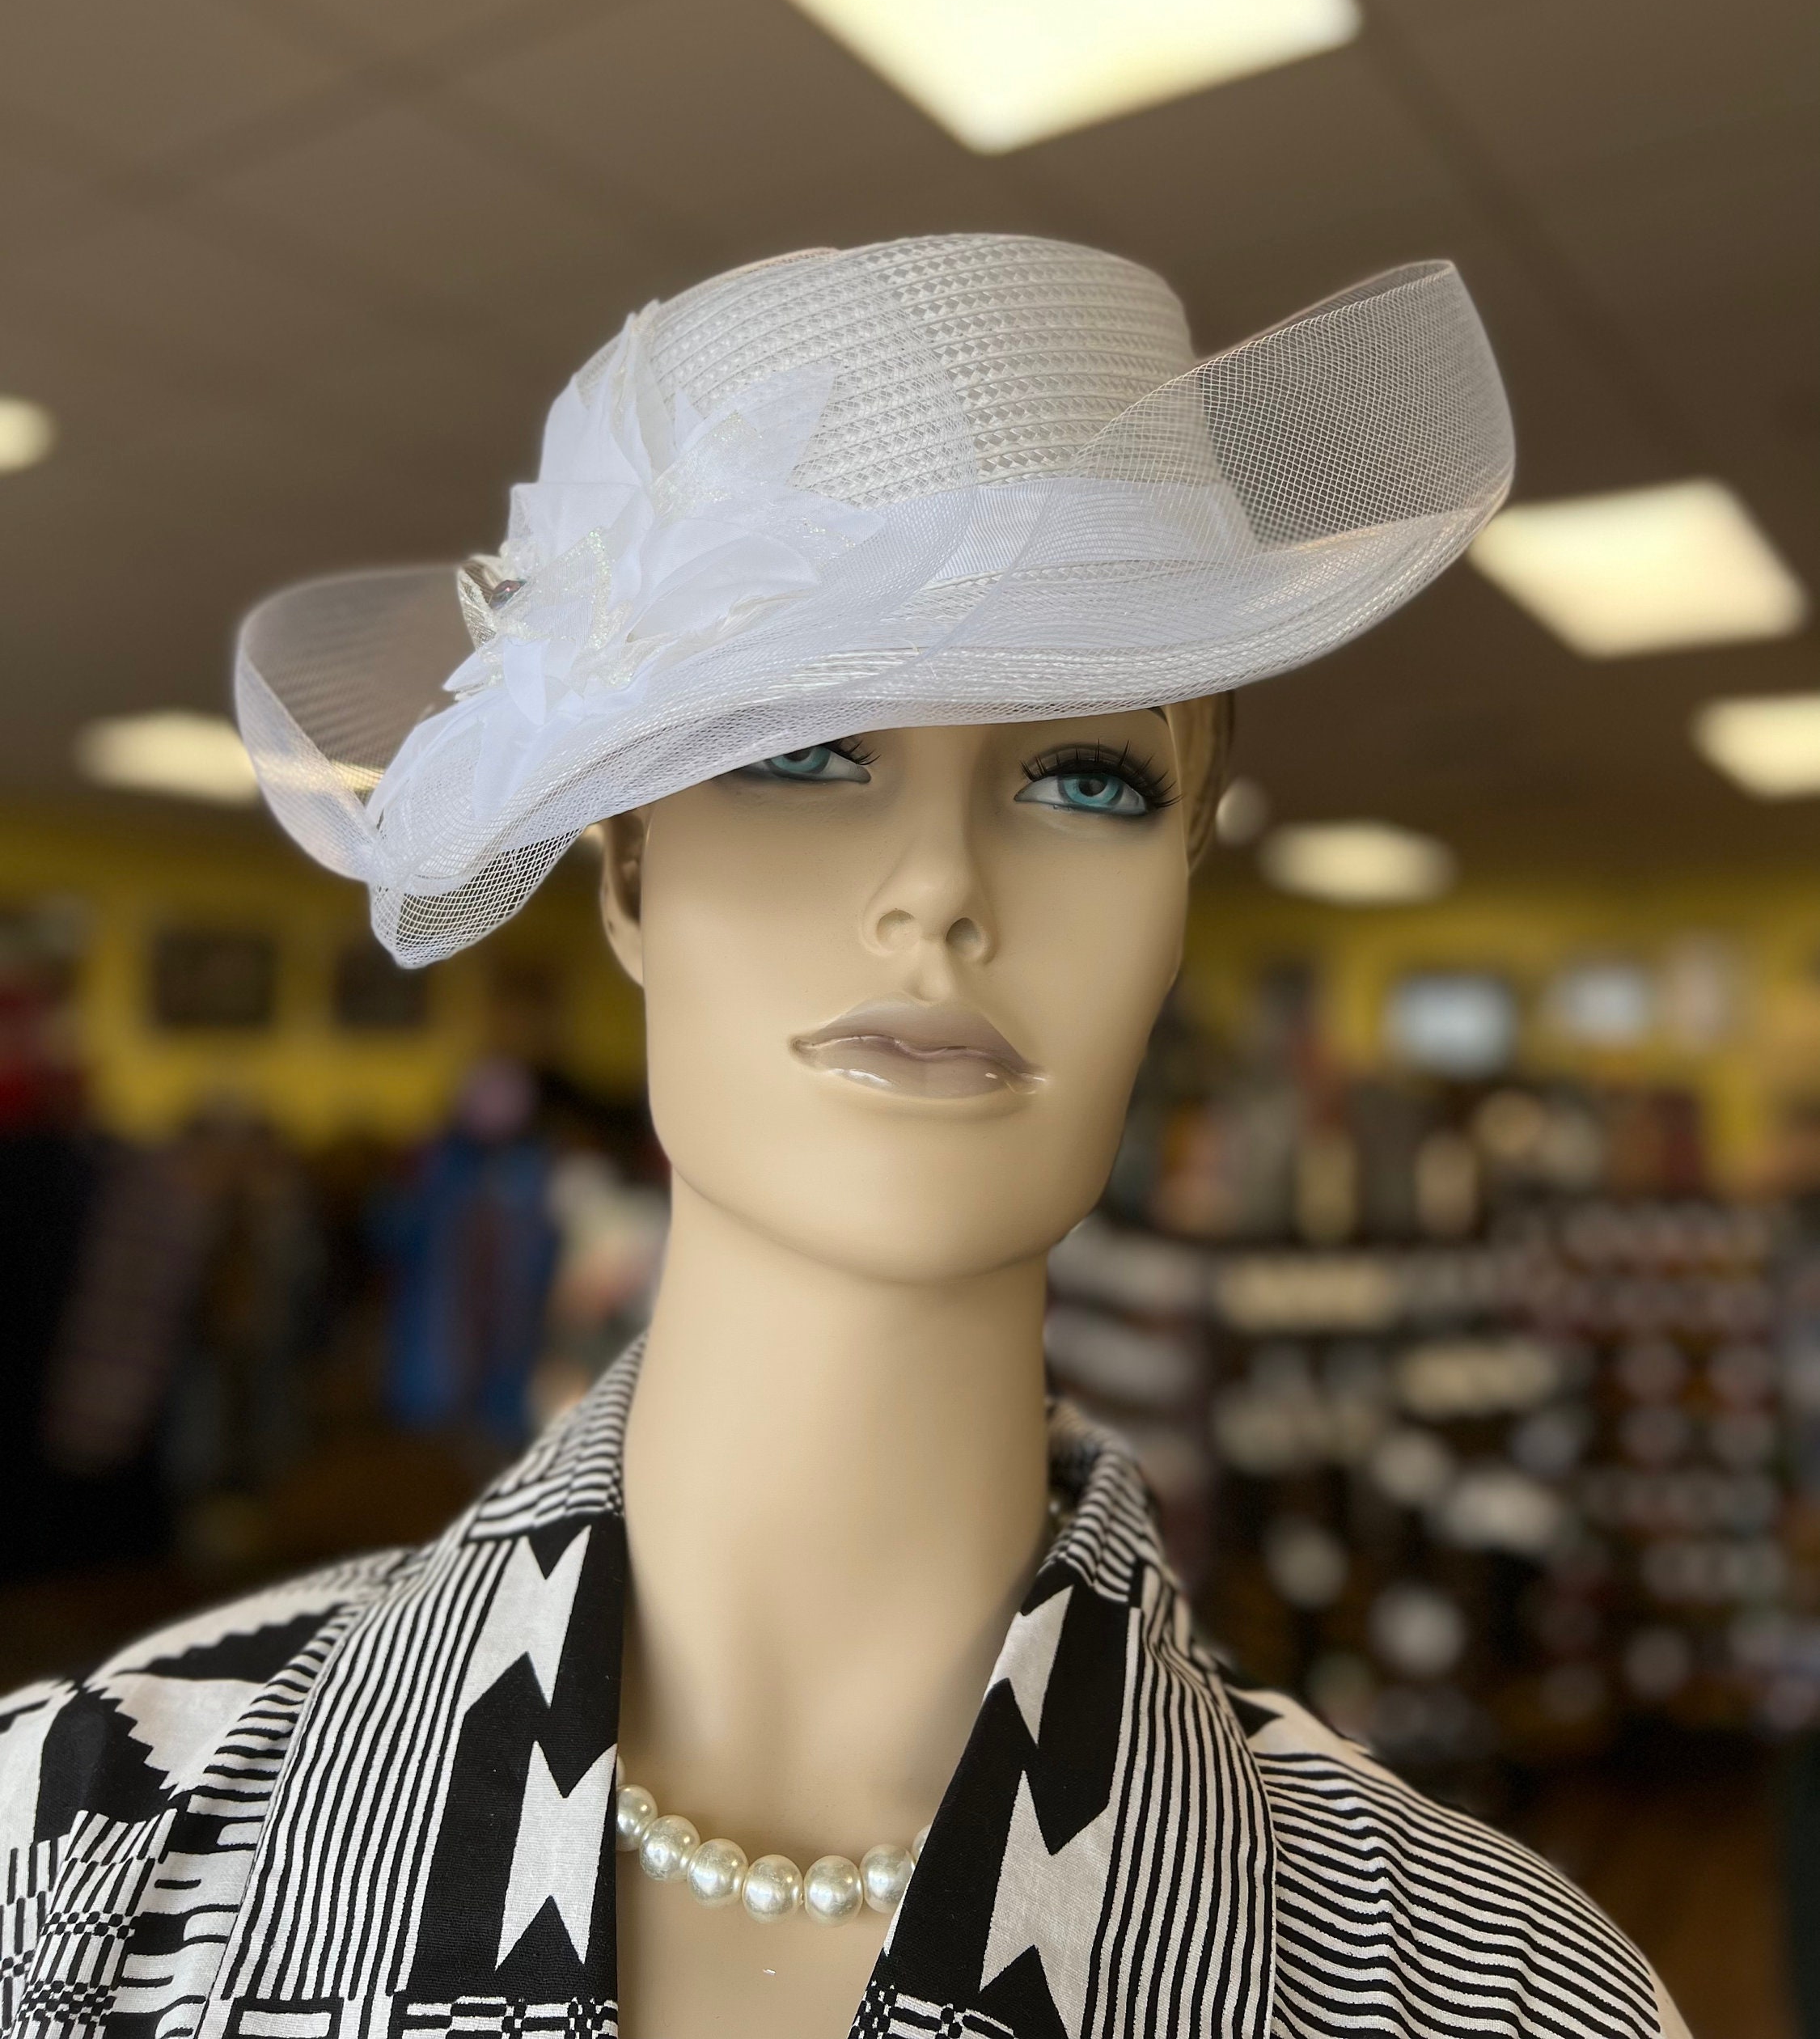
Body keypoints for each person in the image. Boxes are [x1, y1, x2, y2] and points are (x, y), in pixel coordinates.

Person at [0, 236, 1689, 2037]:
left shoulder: (1494, 1989)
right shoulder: (76, 1857)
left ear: (1186, 892)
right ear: (630, 871)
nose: (940, 892)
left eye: (1086, 780)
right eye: (804, 753)